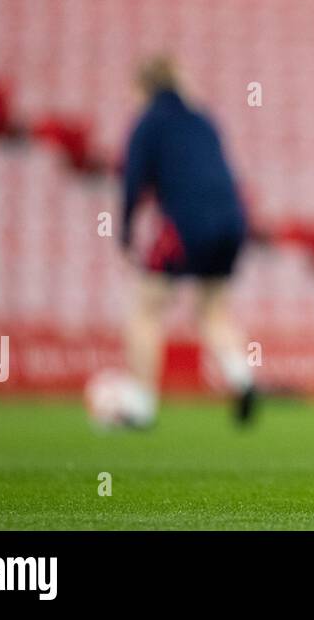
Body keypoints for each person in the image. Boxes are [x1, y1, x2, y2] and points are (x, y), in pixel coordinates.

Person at [119, 56, 257, 426]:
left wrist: (125, 235)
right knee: (212, 309)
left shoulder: (149, 123)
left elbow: (132, 180)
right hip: (232, 220)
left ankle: (140, 405)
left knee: (147, 308)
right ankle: (242, 379)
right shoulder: (202, 119)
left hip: (187, 221)